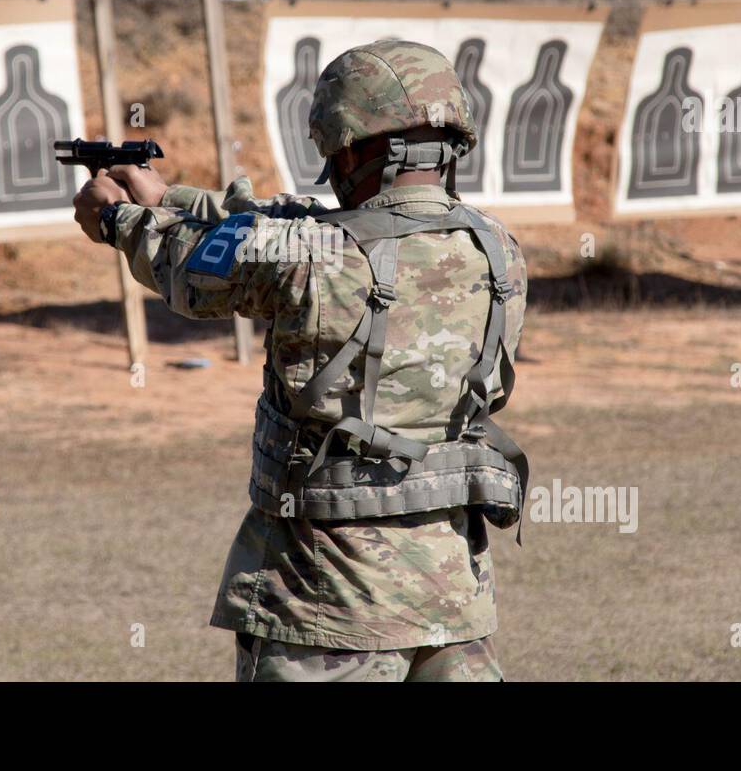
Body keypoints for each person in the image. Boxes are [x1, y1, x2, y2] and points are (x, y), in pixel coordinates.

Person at [73, 39, 528, 682]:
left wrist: (119, 218)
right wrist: (171, 196)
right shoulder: (498, 249)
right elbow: (300, 227)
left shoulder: (312, 256)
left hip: (324, 604)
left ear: (348, 148)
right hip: (454, 601)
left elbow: (188, 271)